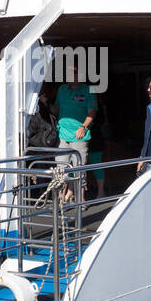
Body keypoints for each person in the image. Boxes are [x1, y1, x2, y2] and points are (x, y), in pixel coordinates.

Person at [53, 64, 98, 202]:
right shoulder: (62, 89)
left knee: (79, 168)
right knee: (61, 169)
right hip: (62, 135)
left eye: (75, 73)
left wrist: (83, 127)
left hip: (80, 135)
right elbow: (57, 109)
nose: (72, 76)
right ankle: (62, 198)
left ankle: (81, 199)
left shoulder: (88, 89)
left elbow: (92, 112)